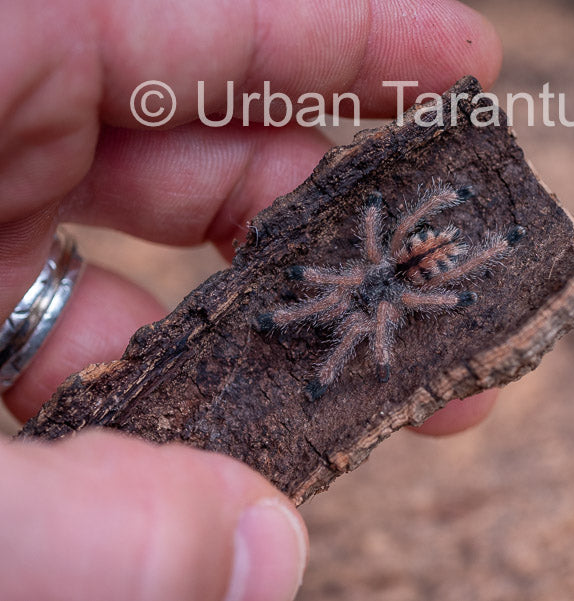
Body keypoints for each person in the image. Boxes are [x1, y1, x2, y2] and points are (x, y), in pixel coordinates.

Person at [0, 1, 502, 599]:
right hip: (392, 269)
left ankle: (493, 243)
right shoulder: (380, 269)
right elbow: (375, 253)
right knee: (349, 301)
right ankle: (488, 238)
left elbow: (406, 305)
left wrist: (474, 251)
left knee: (356, 315)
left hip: (396, 271)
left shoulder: (387, 287)